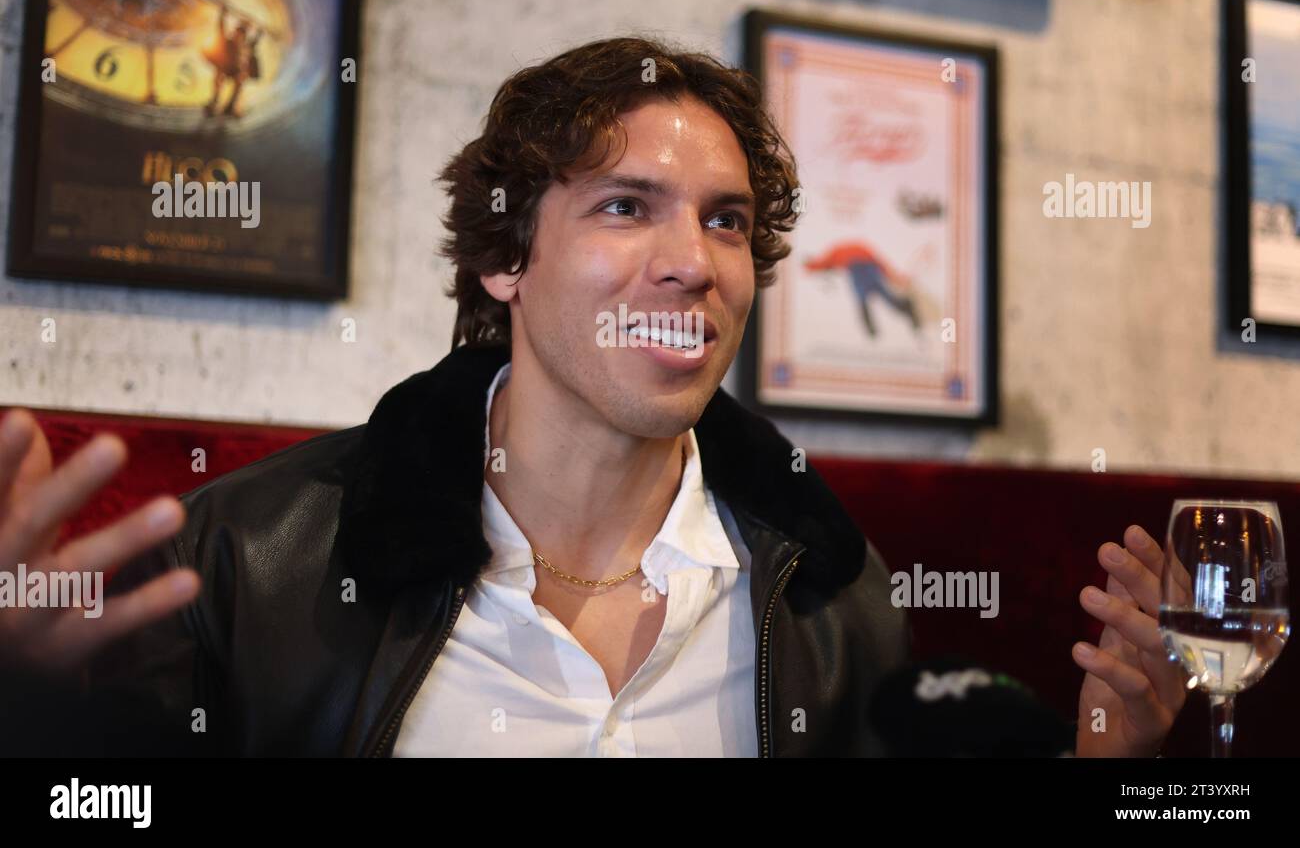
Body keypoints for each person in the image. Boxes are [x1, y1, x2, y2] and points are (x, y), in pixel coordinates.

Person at [0, 37, 1185, 757]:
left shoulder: (830, 590)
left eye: (726, 220)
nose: (694, 259)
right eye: (627, 206)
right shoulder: (255, 557)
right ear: (503, 260)